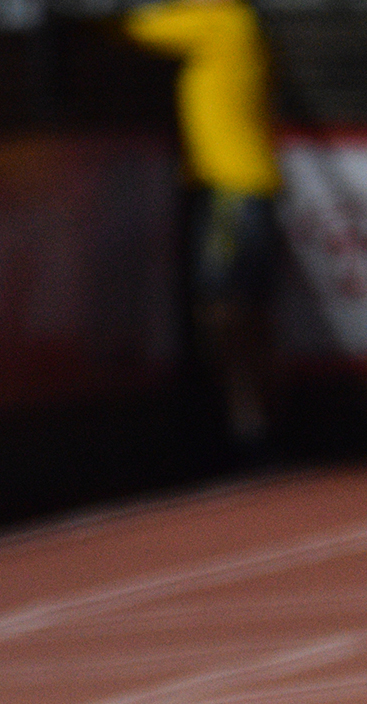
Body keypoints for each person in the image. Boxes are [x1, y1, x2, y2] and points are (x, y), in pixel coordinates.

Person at [124, 0, 287, 460]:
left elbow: (132, 29)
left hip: (232, 188)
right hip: (253, 186)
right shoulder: (239, 22)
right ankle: (260, 422)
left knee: (224, 308)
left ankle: (248, 426)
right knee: (249, 310)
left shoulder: (219, 19)